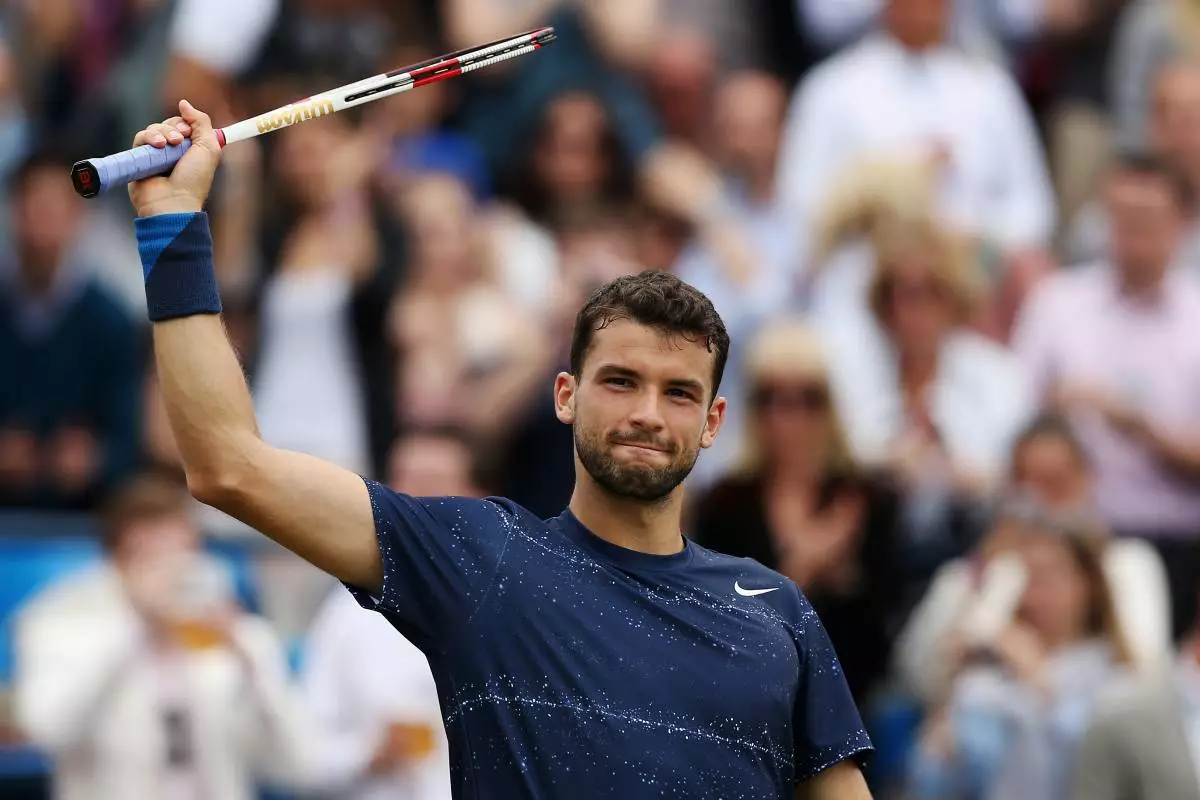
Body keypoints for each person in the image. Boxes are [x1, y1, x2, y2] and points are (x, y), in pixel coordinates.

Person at [119, 100, 874, 799]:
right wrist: (173, 222)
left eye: (677, 393)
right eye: (619, 381)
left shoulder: (776, 610)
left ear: (712, 422)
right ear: (565, 396)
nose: (648, 412)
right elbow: (227, 464)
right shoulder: (479, 559)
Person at [12, 470, 311, 800]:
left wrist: (248, 659)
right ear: (115, 559)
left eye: (179, 553)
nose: (168, 571)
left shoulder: (236, 634)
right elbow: (47, 731)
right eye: (148, 557)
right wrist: (135, 624)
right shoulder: (61, 621)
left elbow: (301, 765)